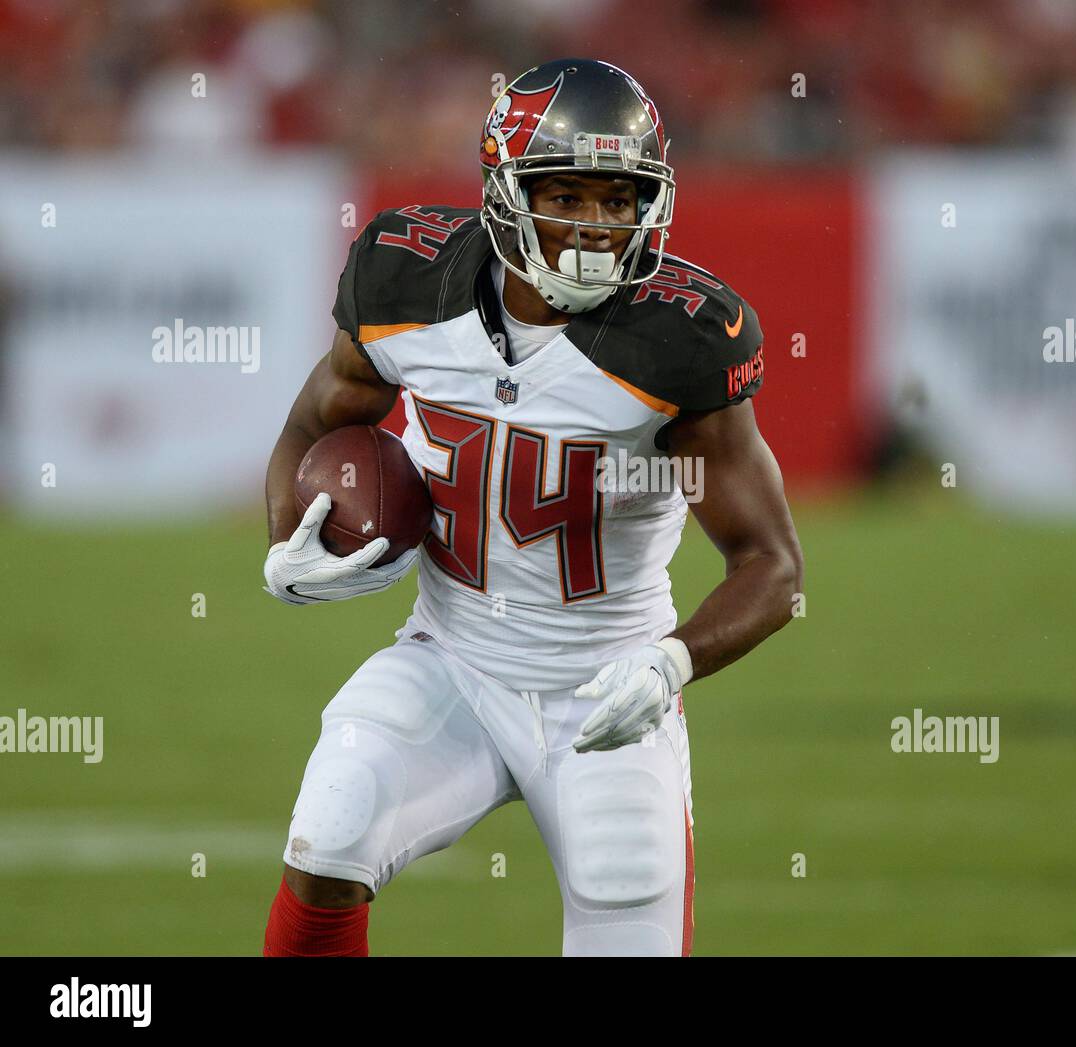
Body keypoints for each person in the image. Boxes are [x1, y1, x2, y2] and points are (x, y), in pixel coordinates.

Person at [260, 58, 802, 956]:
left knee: (626, 915)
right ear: (505, 193)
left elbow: (774, 567)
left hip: (609, 689)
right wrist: (288, 542)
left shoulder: (679, 343)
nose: (596, 227)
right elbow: (312, 423)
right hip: (452, 660)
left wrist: (670, 665)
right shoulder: (408, 283)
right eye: (569, 195)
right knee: (333, 822)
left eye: (619, 199)